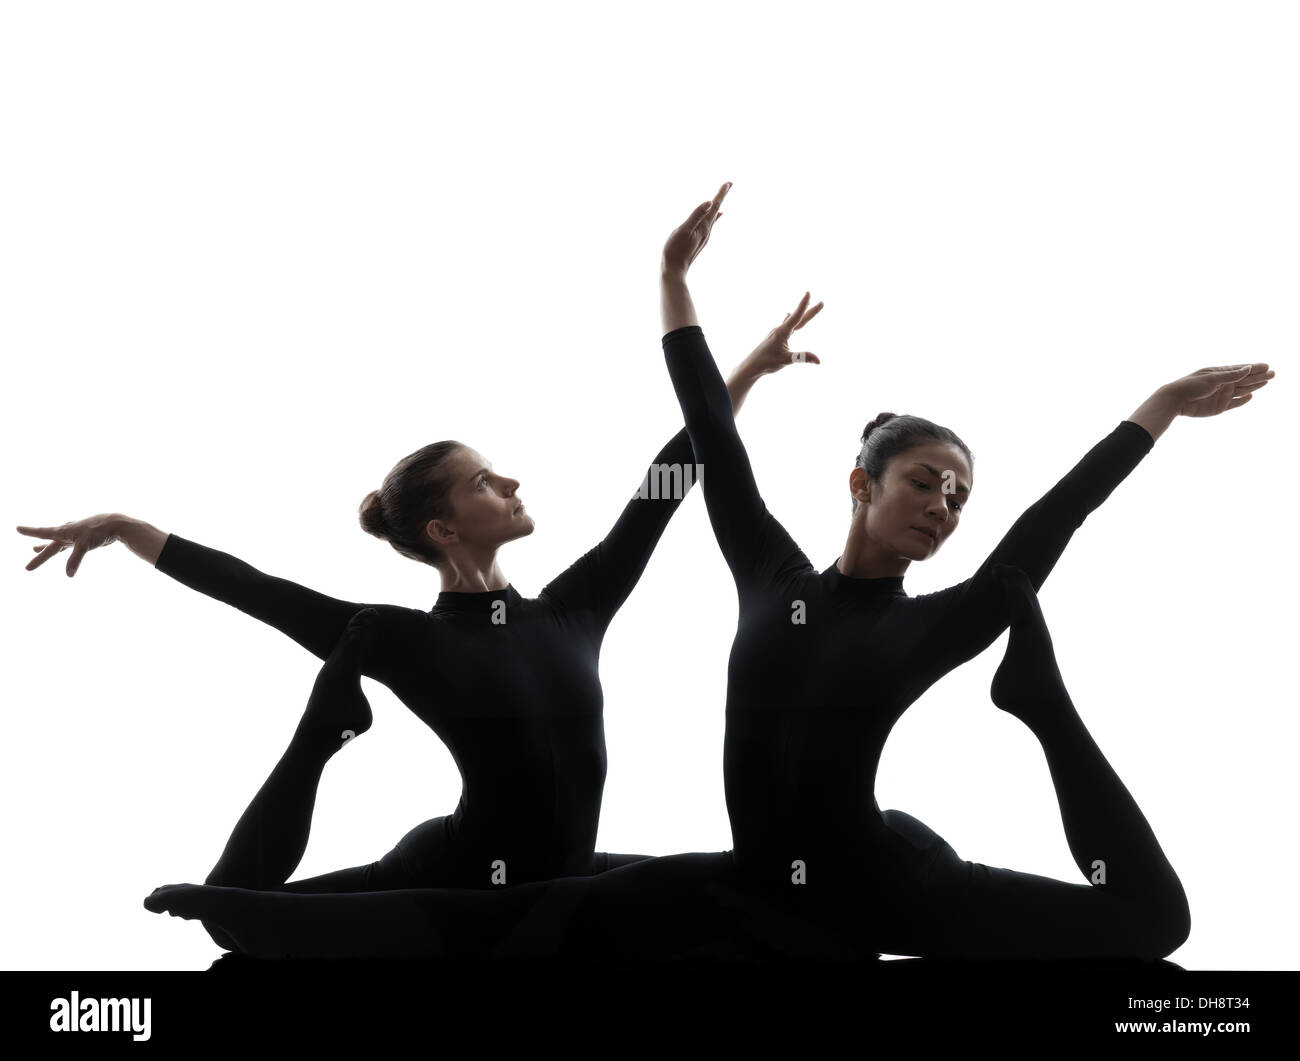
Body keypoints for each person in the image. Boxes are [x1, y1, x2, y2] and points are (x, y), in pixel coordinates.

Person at [141, 184, 1275, 961]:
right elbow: (699, 451)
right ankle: (246, 915)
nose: (946, 504)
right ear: (861, 483)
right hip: (752, 877)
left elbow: (1053, 519)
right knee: (549, 912)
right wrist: (674, 281)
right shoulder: (768, 575)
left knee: (1151, 924)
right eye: (927, 480)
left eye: (960, 495)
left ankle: (1043, 707)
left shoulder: (943, 623)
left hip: (885, 885)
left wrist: (1157, 410)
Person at [15, 264, 815, 944]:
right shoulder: (401, 639)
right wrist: (125, 528)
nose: (512, 482)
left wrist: (747, 370)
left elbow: (664, 484)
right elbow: (255, 589)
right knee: (234, 917)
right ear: (443, 529)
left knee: (758, 892)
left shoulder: (574, 607)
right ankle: (307, 770)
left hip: (566, 882)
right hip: (455, 881)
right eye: (484, 481)